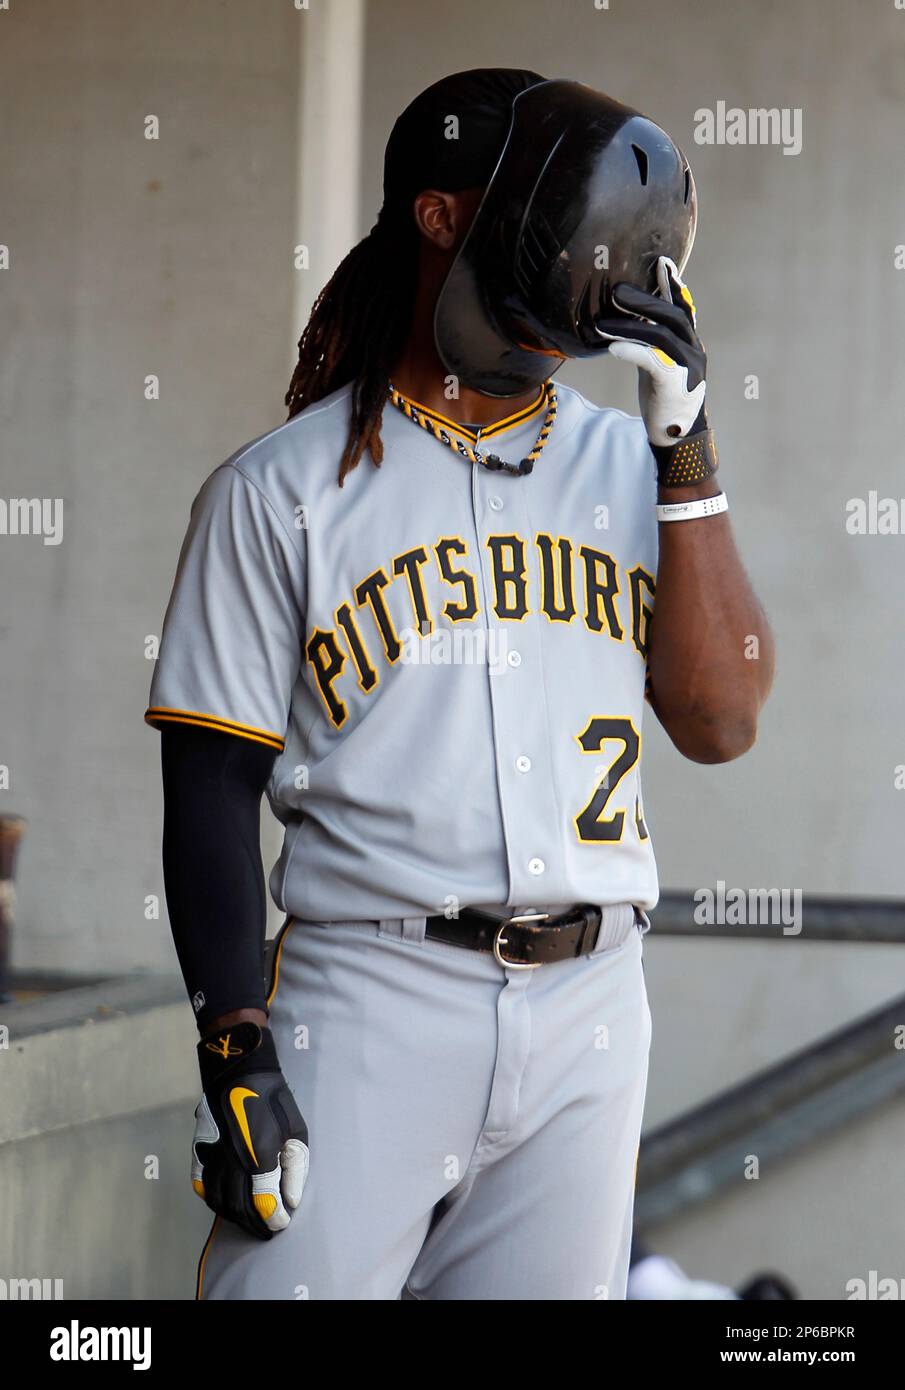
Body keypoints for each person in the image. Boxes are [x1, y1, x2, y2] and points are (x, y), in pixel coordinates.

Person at [146, 67, 774, 1301]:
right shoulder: (280, 489)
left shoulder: (628, 461)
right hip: (372, 993)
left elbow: (723, 719)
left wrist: (685, 445)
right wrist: (235, 1042)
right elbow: (210, 790)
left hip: (593, 1000)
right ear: (442, 216)